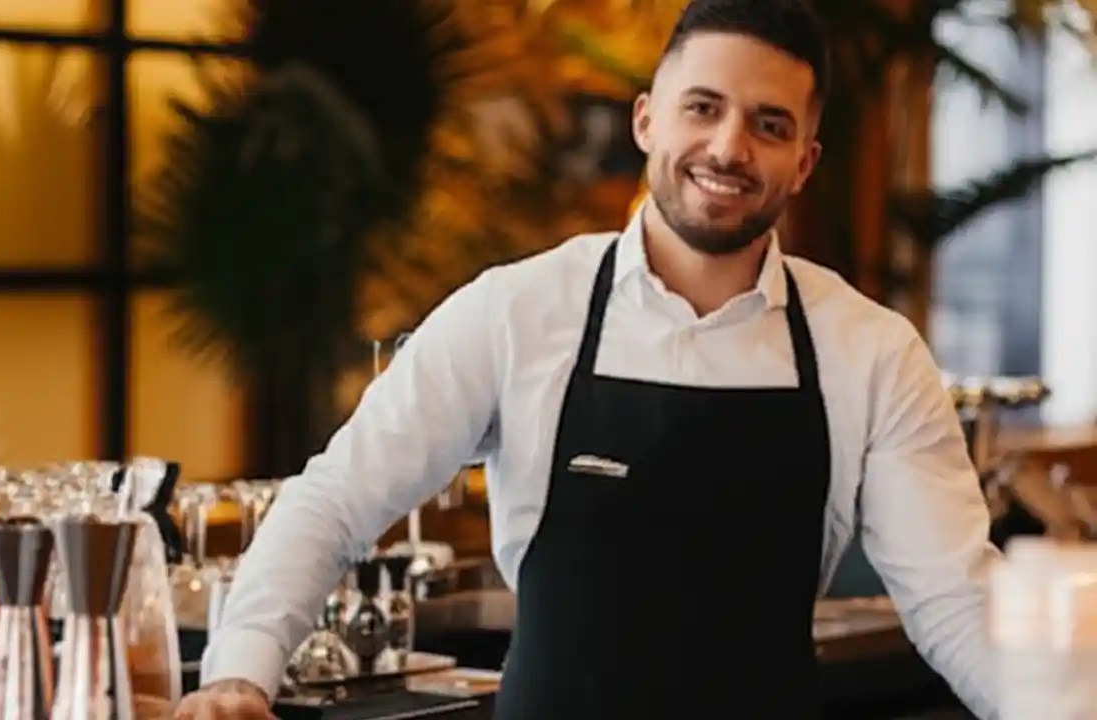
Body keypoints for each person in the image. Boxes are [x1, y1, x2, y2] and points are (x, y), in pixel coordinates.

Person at [176, 0, 1001, 717]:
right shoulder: (517, 311)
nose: (728, 146)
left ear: (805, 163)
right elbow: (335, 500)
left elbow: (956, 600)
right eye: (702, 107)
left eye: (770, 125)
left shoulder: (870, 352)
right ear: (647, 120)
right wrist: (237, 674)